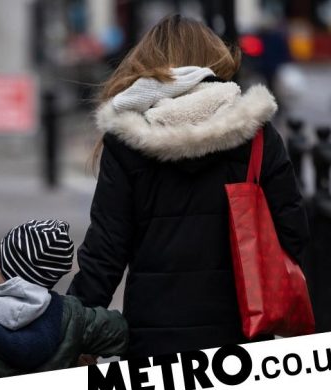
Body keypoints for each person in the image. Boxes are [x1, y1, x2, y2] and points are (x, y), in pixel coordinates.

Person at [68, 14, 309, 359]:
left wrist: (77, 334)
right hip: (241, 336)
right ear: (213, 58)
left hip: (153, 338)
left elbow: (105, 253)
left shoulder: (127, 142)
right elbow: (294, 233)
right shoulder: (255, 135)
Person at [0, 220, 128, 385]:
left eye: (0, 257)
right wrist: (83, 354)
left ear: (8, 270)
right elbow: (120, 332)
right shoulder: (73, 316)